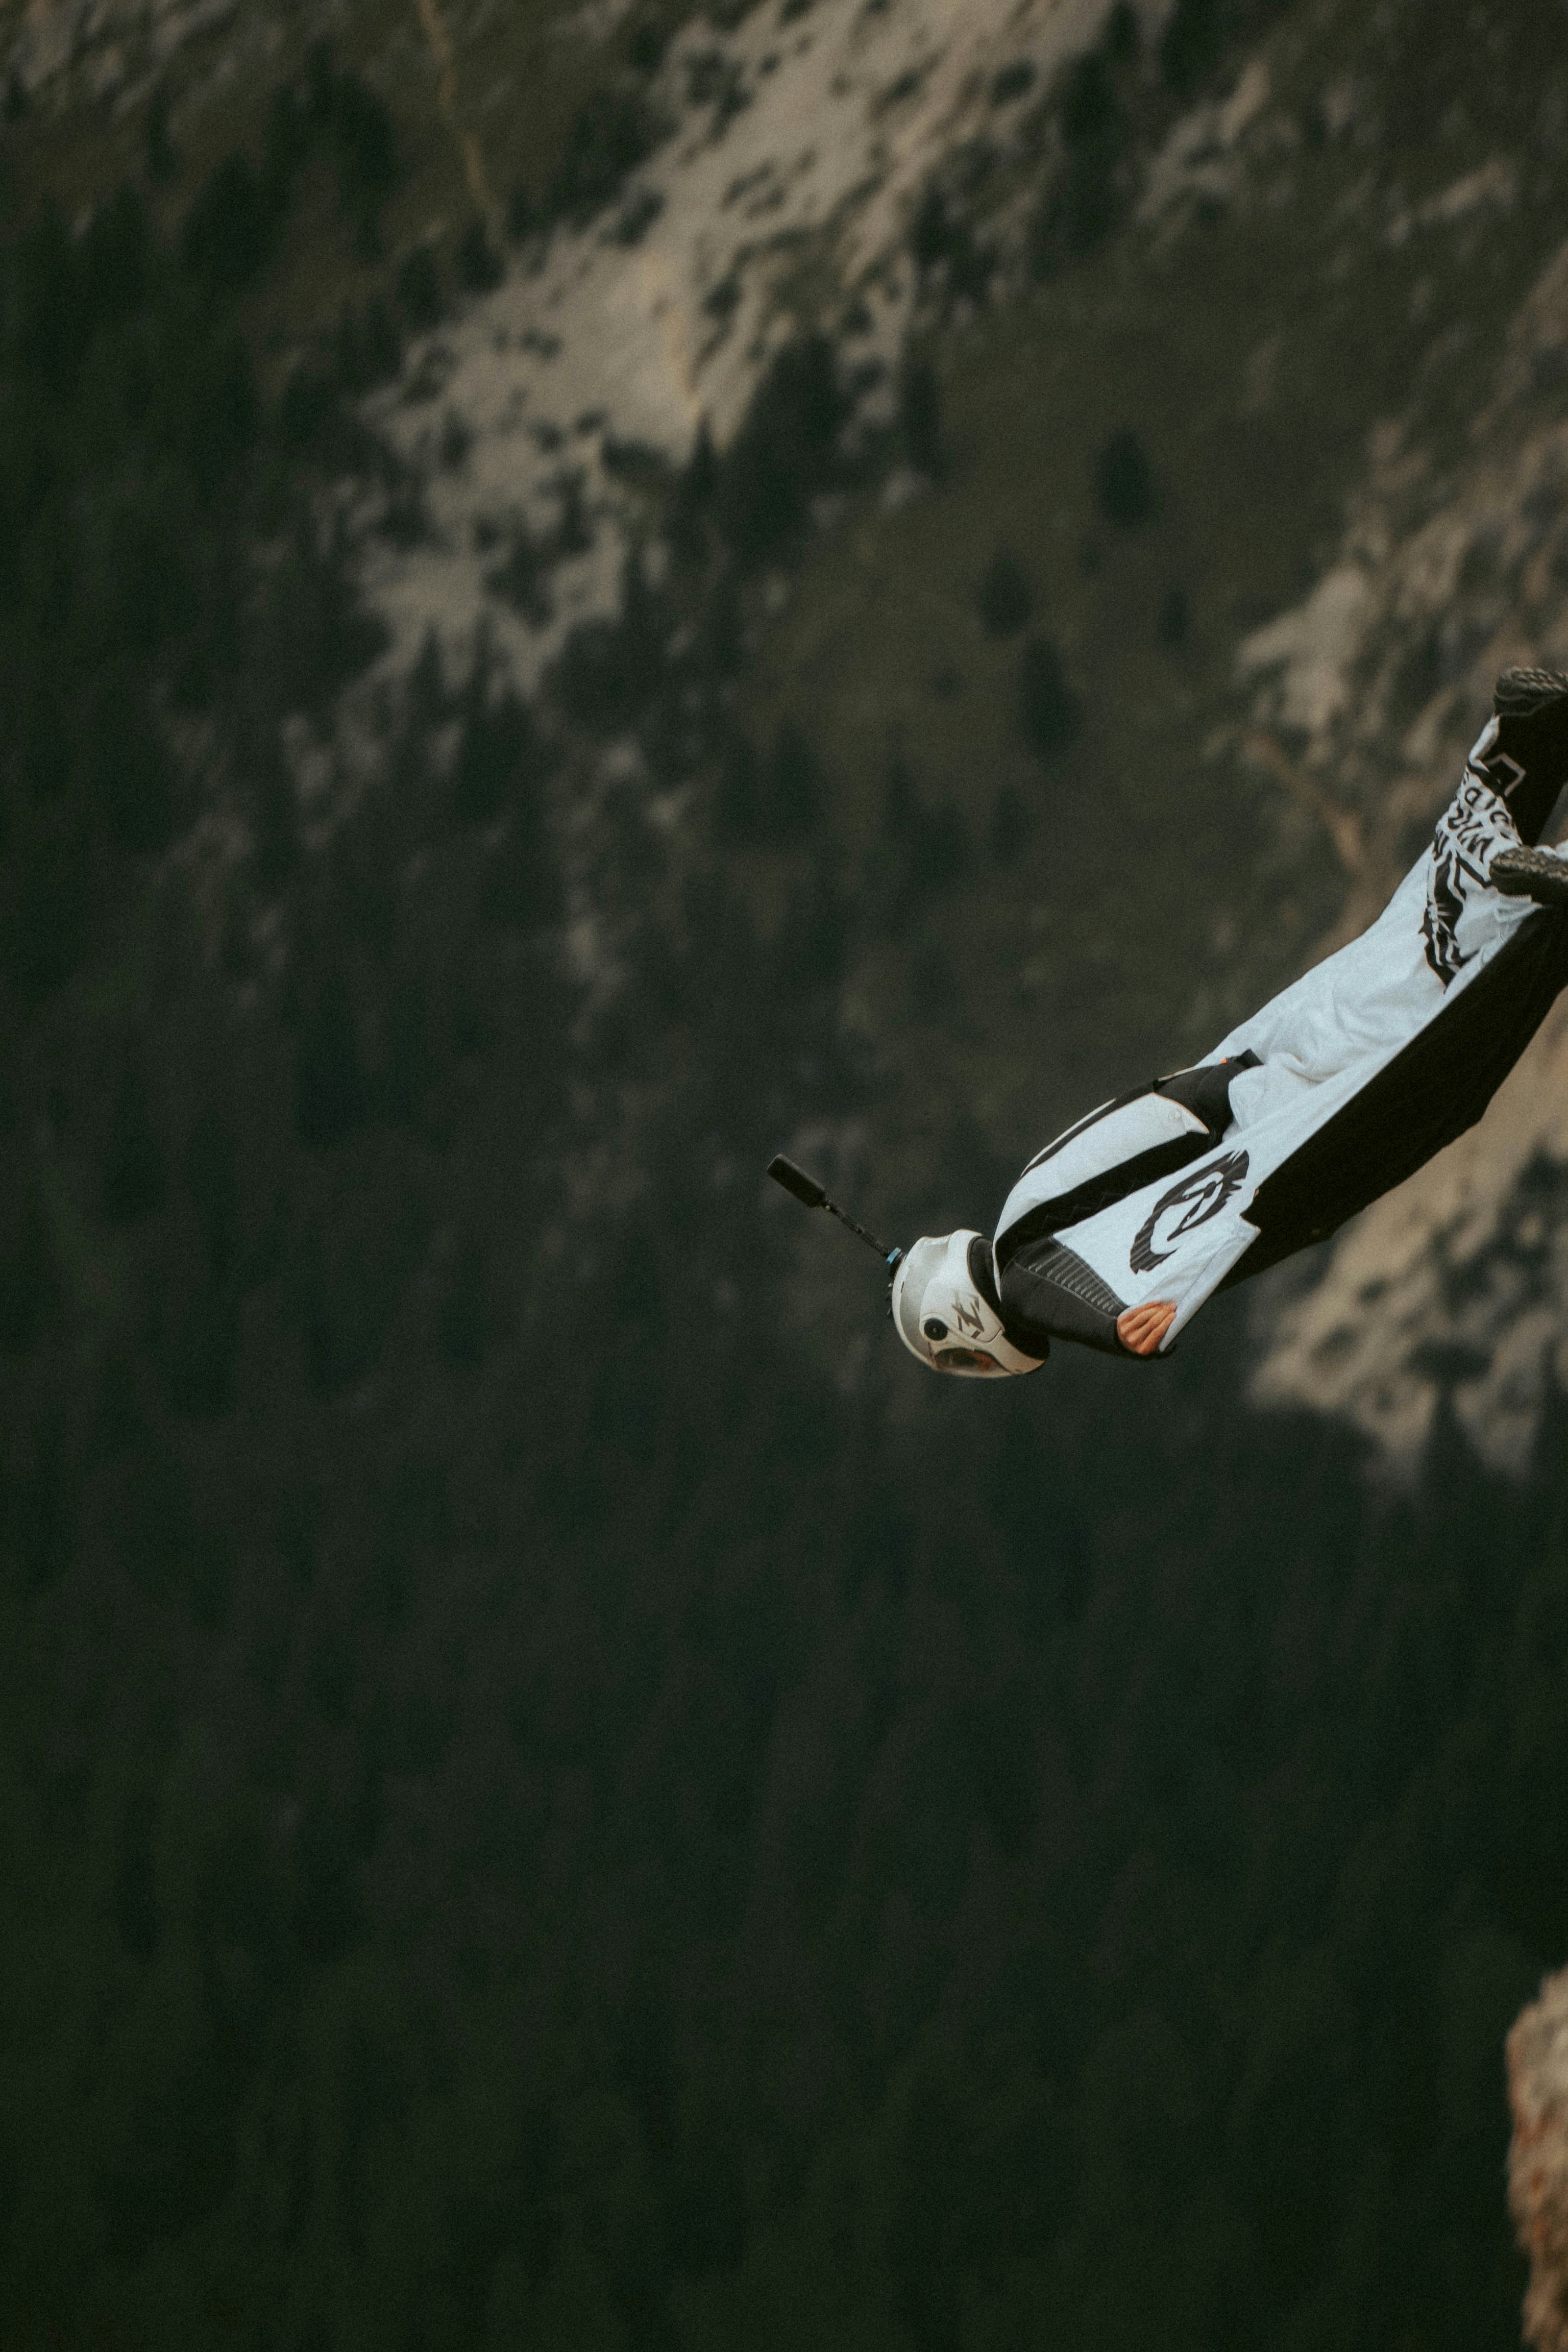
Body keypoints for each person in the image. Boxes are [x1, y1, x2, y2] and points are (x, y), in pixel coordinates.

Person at [893, 669, 1568, 1377]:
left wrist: (1113, 1328)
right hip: (1256, 1064)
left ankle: (1537, 910)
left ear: (958, 1320)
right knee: (1417, 956)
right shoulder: (1034, 1196)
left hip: (1268, 1112)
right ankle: (1519, 748)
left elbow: (1050, 1289)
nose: (978, 1363)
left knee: (1439, 1067)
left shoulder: (1020, 1261)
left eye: (962, 1357)